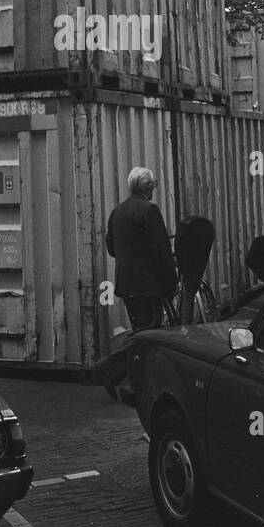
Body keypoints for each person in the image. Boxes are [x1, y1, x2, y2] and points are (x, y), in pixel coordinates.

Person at [95, 167, 177, 399]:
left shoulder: (117, 211)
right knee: (149, 334)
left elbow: (111, 247)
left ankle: (130, 379)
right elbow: (162, 251)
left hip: (126, 283)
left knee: (141, 332)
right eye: (154, 184)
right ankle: (111, 370)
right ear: (149, 186)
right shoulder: (149, 210)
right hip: (148, 284)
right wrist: (171, 282)